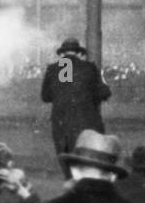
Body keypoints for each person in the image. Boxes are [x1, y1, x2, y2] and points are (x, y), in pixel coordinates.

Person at [40, 37, 111, 169]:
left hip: (61, 126)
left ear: (62, 54)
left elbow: (45, 96)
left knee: (67, 165)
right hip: (86, 124)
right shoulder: (89, 68)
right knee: (86, 165)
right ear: (78, 53)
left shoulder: (53, 69)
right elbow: (104, 93)